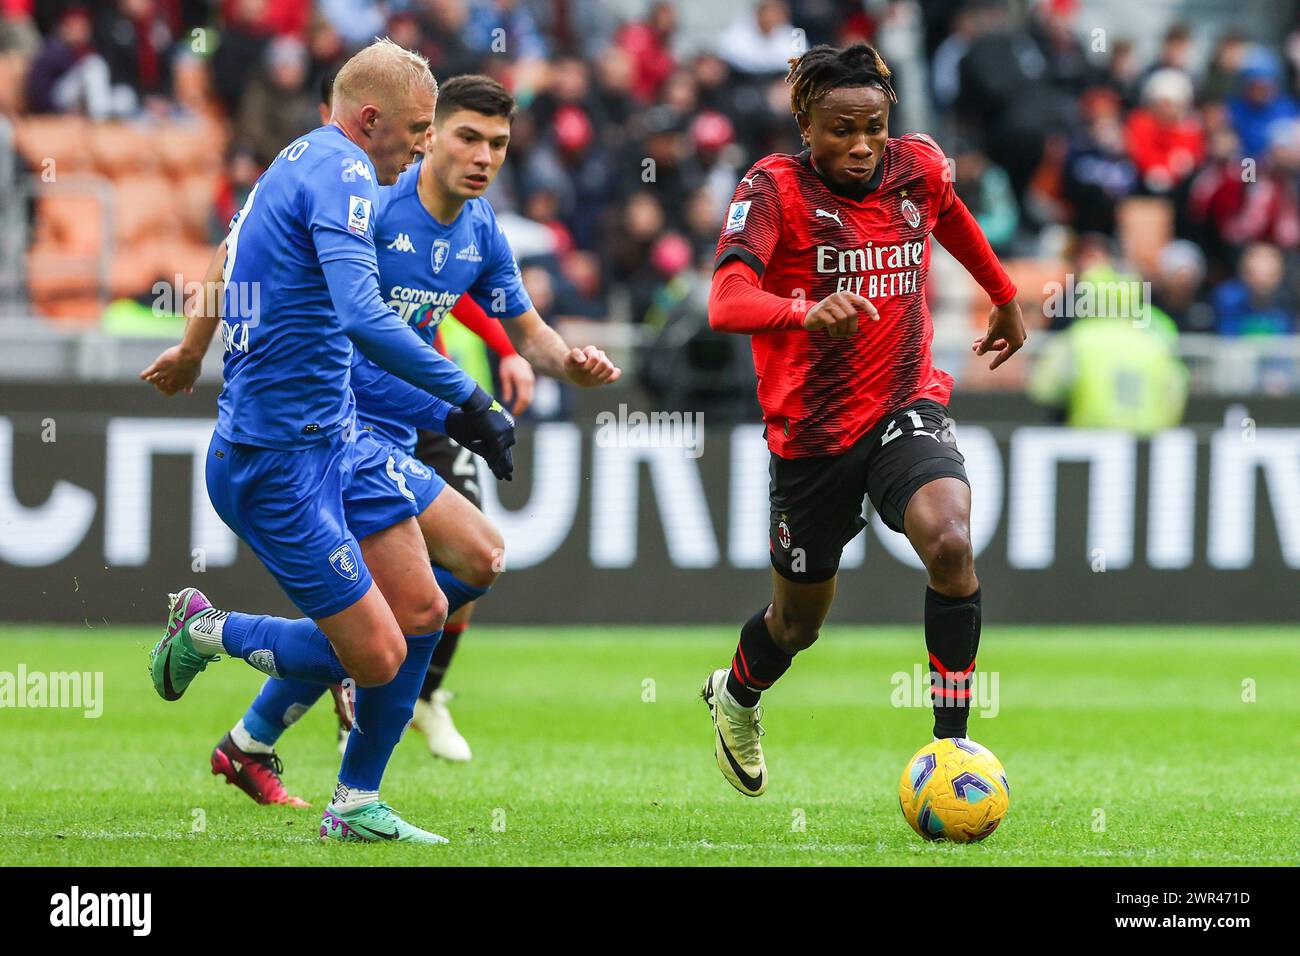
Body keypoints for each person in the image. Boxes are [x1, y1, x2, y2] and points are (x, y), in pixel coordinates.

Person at [141, 72, 620, 813]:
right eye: (461, 135)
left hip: (409, 422)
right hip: (339, 425)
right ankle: (337, 711)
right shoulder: (367, 193)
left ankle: (266, 734)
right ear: (425, 137)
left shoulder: (479, 227)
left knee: (475, 561)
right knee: (384, 635)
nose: (480, 154)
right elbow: (238, 256)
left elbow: (521, 326)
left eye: (497, 143)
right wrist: (192, 347)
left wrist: (563, 359)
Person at [700, 42, 1025, 797]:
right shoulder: (772, 189)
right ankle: (737, 695)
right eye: (840, 129)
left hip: (903, 403)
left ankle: (953, 749)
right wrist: (804, 311)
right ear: (805, 125)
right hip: (810, 436)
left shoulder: (919, 167)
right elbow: (725, 301)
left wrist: (1004, 295)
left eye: (873, 126)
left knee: (949, 540)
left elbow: (952, 218)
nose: (860, 145)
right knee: (796, 626)